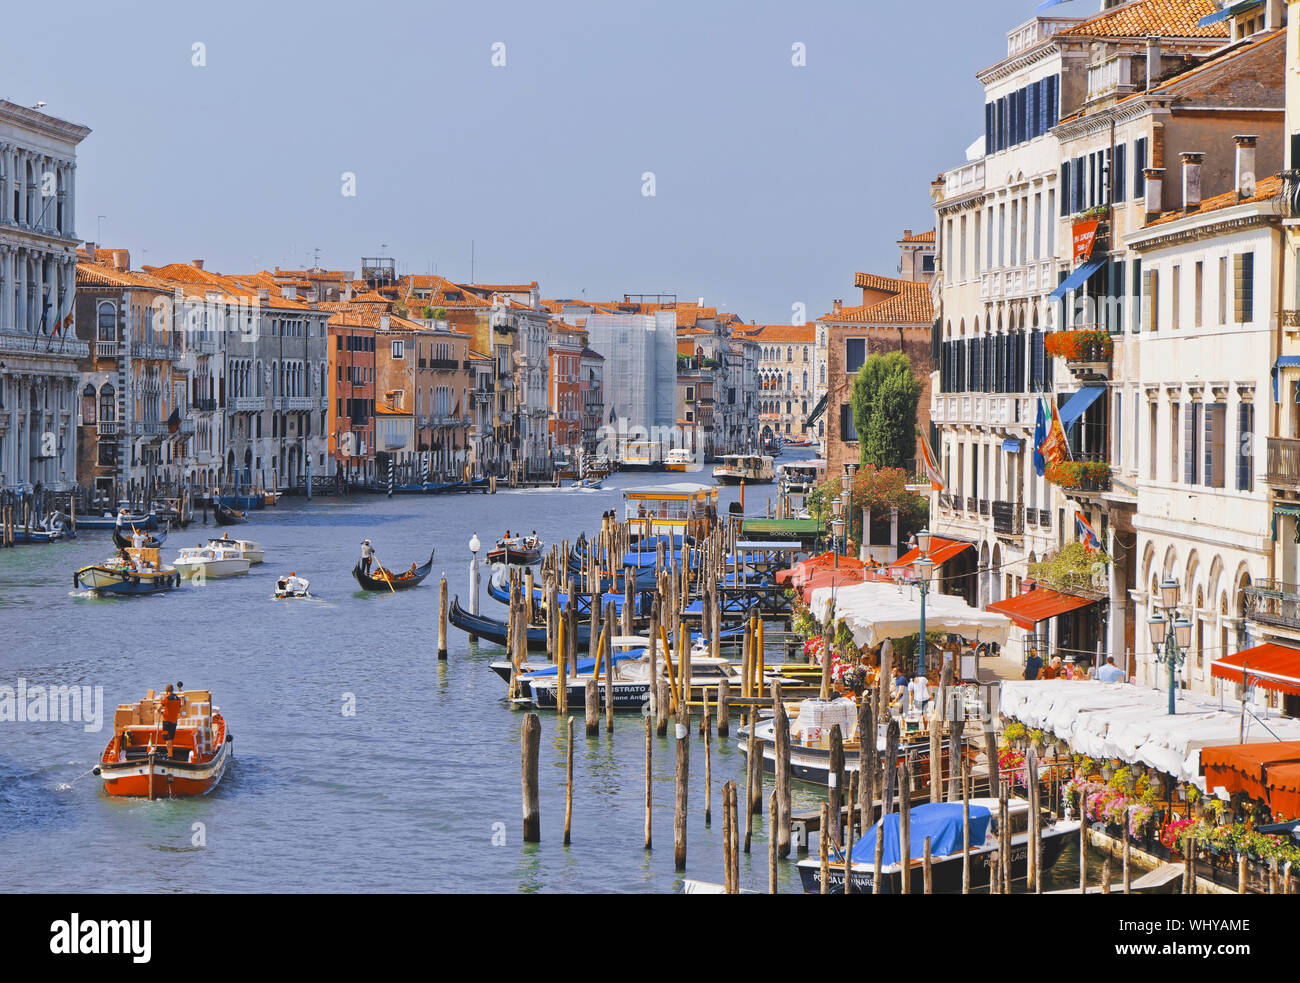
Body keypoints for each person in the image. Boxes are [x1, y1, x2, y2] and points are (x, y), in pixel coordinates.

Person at [156, 684, 183, 759]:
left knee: (167, 739)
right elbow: (179, 710)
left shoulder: (167, 698)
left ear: (166, 691)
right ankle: (170, 754)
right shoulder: (178, 699)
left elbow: (159, 708)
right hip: (174, 722)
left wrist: (158, 709)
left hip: (167, 721)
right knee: (171, 738)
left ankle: (169, 755)